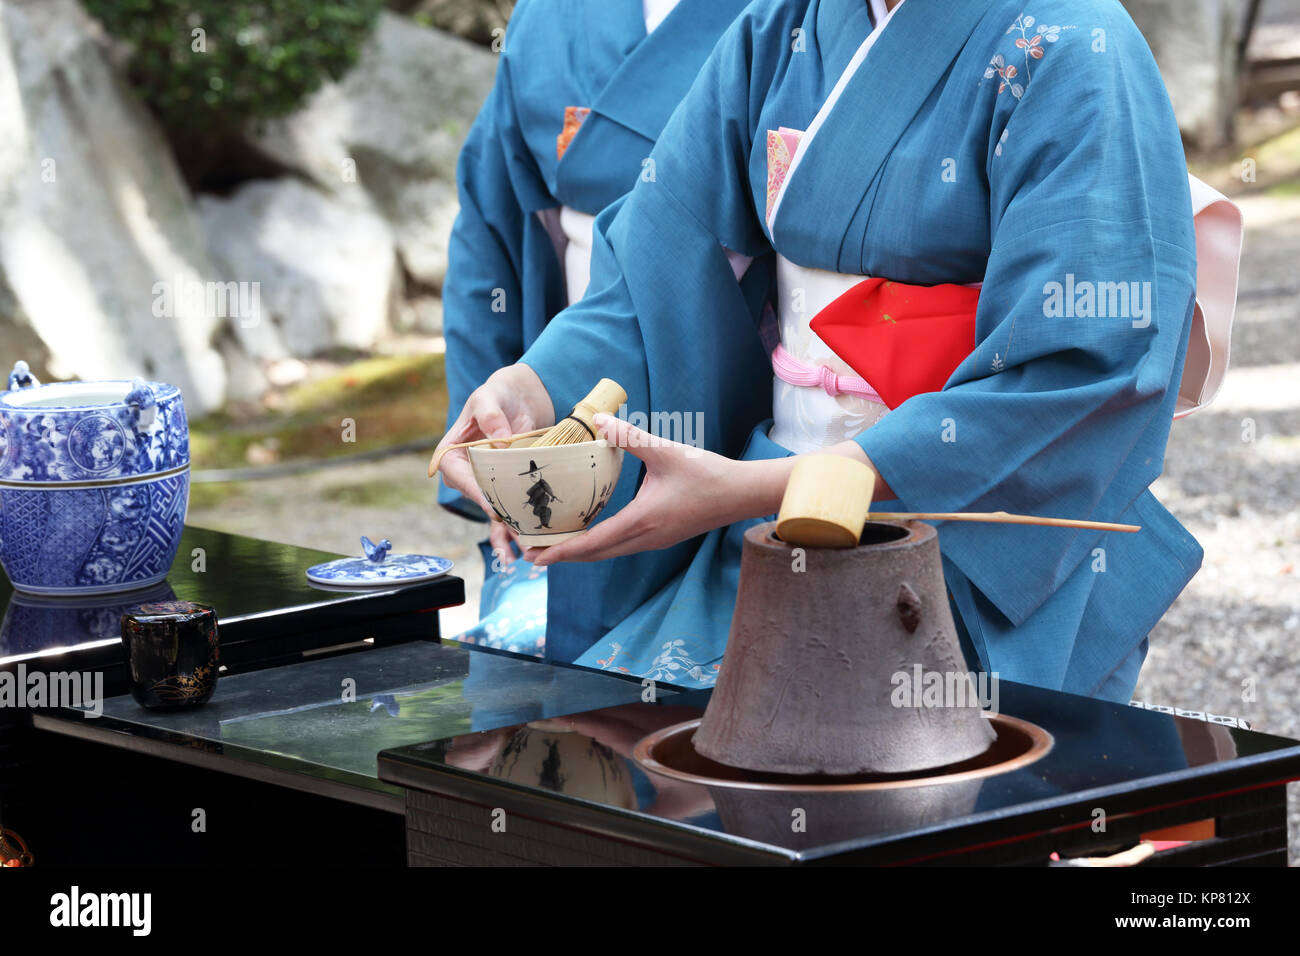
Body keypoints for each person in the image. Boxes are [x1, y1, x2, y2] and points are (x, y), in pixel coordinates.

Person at [437, 0, 1240, 701]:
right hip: (764, 507)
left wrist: (768, 487)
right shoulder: (783, 23)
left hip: (953, 525)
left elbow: (1089, 361)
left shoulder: (1072, 42)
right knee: (645, 768)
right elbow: (657, 264)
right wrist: (531, 387)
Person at [440, 0, 755, 656]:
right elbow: (488, 233)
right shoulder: (549, 14)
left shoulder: (786, 22)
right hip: (575, 353)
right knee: (567, 693)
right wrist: (489, 455)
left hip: (728, 364)